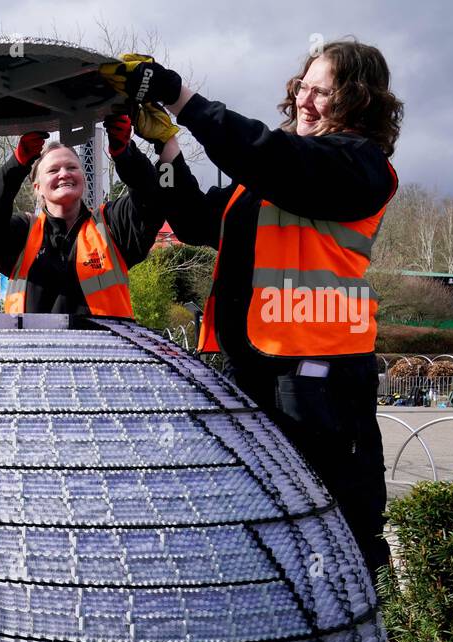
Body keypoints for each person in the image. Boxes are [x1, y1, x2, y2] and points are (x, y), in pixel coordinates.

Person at [101, 42, 402, 580]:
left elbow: (266, 156)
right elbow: (196, 221)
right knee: (265, 521)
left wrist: (178, 96)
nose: (304, 100)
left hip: (319, 375)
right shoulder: (273, 178)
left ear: (357, 101)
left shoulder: (360, 165)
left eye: (322, 92)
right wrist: (164, 152)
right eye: (302, 87)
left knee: (338, 526)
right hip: (260, 366)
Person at [0, 113, 165, 319]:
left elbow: (152, 201)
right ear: (38, 187)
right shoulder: (23, 234)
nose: (64, 174)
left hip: (104, 350)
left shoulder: (111, 226)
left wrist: (125, 155)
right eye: (53, 170)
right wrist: (16, 165)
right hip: (36, 350)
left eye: (72, 167)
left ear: (83, 178)